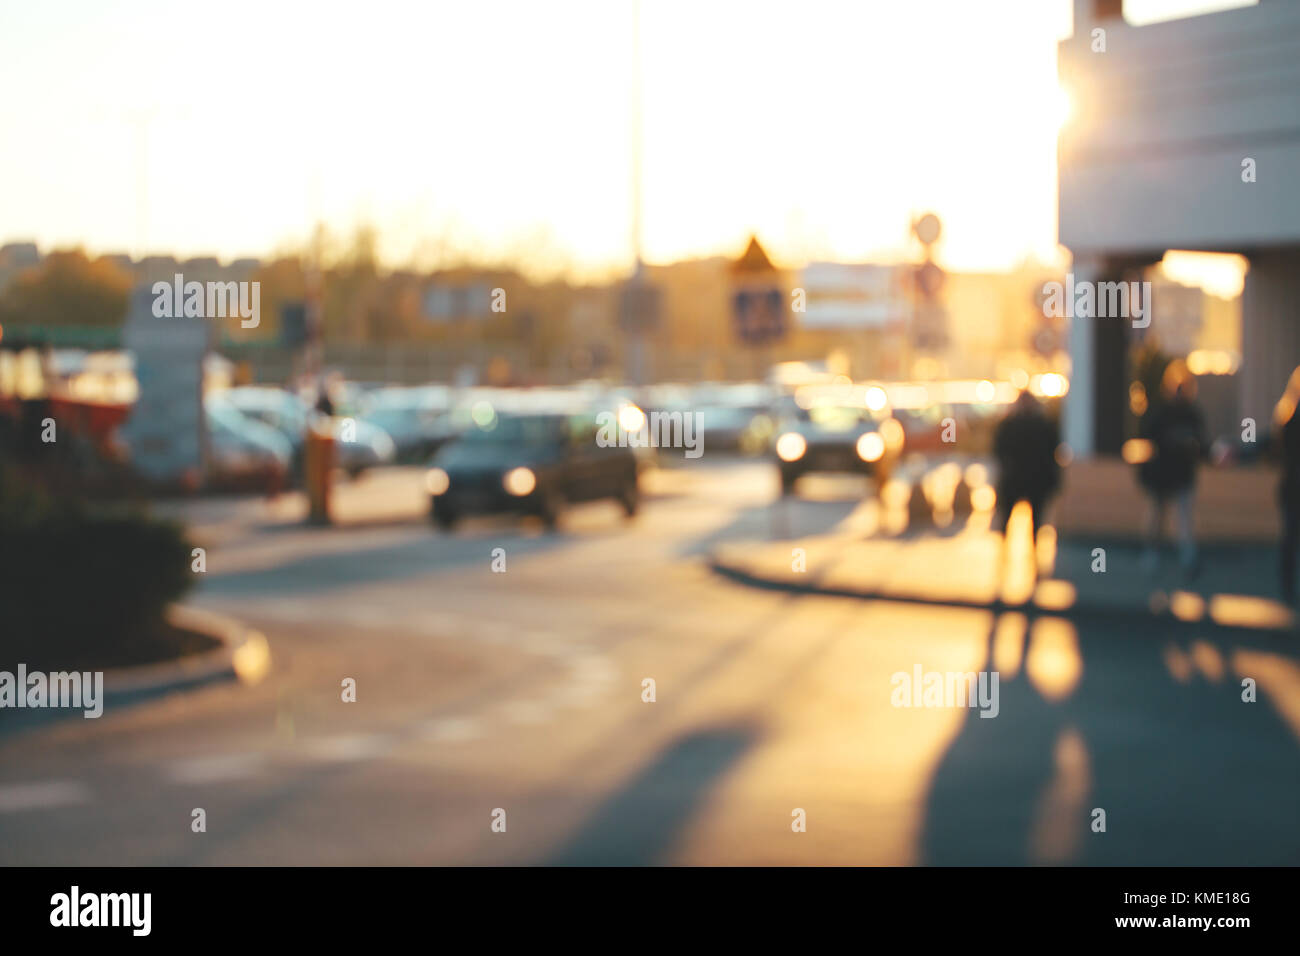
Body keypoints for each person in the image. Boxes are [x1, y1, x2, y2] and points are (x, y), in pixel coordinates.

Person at [1137, 359, 1206, 575]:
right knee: (1160, 517)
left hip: (1179, 472)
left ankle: (1185, 557)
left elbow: (1201, 441)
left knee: (1182, 518)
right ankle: (1156, 555)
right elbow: (1147, 435)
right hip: (1165, 472)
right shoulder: (1163, 411)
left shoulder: (1189, 413)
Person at [993, 390, 1061, 545]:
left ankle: (1021, 549)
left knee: (1027, 519)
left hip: (1024, 479)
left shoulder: (1010, 425)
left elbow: (999, 451)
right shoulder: (1042, 424)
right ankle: (1014, 549)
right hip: (1027, 479)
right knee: (1020, 518)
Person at [1272, 366, 1300, 603]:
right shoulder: (1291, 420)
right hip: (1293, 486)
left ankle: (1287, 586)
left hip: (1290, 486)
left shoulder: (1285, 418)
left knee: (1290, 538)